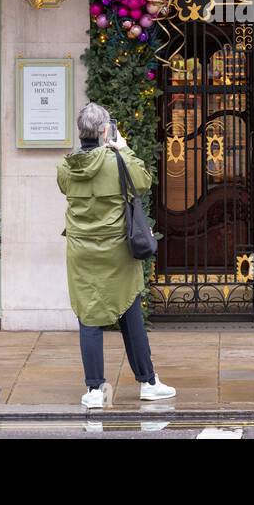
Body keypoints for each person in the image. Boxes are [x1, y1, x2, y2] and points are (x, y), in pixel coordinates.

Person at [57, 102, 175, 409]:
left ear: (81, 131)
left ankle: (95, 390)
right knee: (129, 310)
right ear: (104, 130)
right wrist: (122, 148)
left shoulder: (66, 167)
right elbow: (144, 182)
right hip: (117, 251)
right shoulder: (117, 160)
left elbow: (65, 186)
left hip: (82, 252)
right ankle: (148, 382)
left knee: (88, 316)